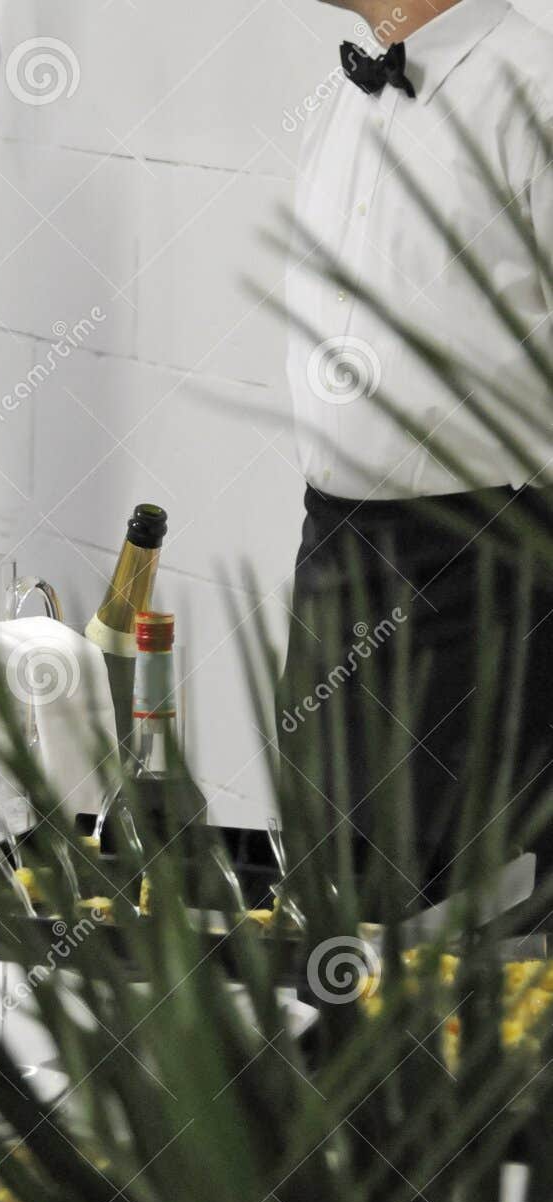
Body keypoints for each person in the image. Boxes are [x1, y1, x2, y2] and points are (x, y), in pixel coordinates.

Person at [283, 0, 553, 895]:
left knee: (450, 953)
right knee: (328, 908)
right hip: (331, 554)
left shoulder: (538, 89)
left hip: (481, 573)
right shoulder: (346, 93)